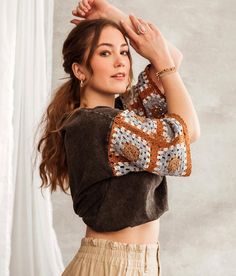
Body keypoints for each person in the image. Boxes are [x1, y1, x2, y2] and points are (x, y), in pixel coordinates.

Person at [36, 0, 200, 275]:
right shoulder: (101, 124)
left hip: (136, 265)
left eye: (124, 52)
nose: (120, 61)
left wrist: (115, 18)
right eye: (104, 53)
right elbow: (186, 132)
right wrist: (166, 68)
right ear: (80, 70)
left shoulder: (124, 114)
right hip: (111, 267)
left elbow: (171, 56)